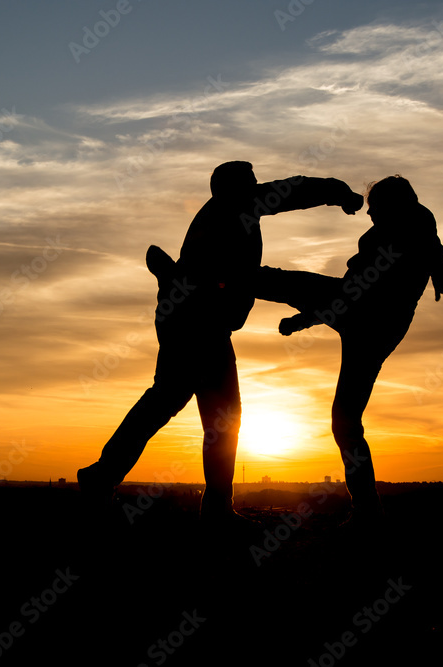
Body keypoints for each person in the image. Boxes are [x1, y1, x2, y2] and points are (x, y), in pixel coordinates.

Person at [78, 161, 364, 523]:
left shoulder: (221, 215)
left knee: (174, 406)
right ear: (234, 188)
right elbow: (294, 190)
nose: (259, 188)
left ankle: (106, 478)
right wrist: (338, 192)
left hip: (191, 322)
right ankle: (210, 507)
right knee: (215, 415)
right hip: (197, 324)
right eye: (251, 183)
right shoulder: (234, 210)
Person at [252, 175, 443, 525]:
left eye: (374, 207)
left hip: (367, 318)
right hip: (375, 326)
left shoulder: (405, 231)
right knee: (345, 421)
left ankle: (206, 277)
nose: (369, 214)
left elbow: (354, 295)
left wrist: (304, 319)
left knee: (285, 281)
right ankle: (367, 509)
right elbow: (356, 293)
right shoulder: (415, 230)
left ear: (392, 206)